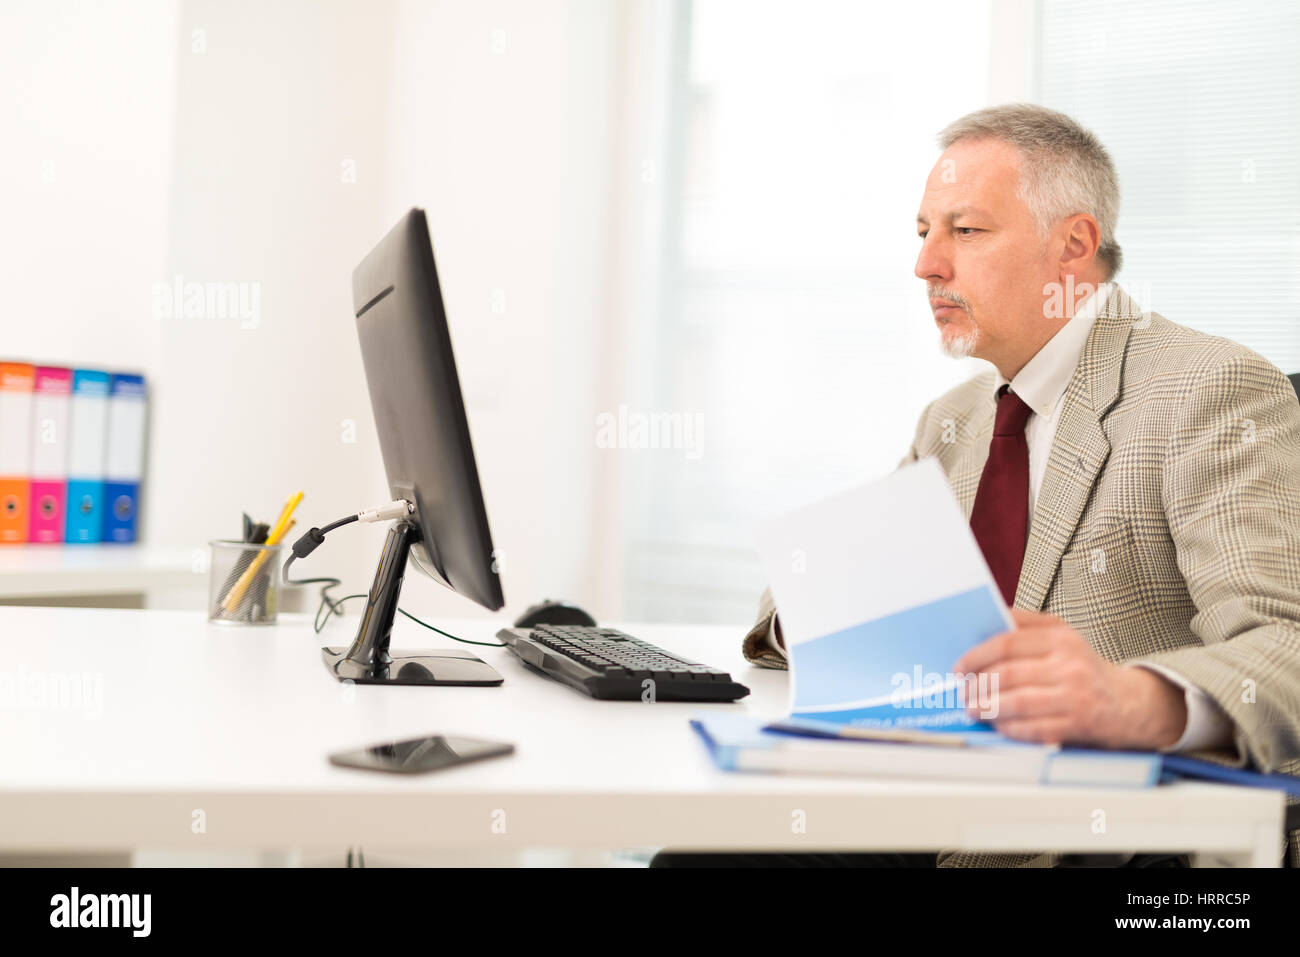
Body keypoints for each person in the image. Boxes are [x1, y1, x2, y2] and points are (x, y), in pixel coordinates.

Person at [654, 103, 1300, 868]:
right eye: (923, 232)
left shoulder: (1210, 388)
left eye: (964, 230)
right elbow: (797, 604)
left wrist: (1130, 699)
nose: (927, 264)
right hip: (934, 809)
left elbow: (1284, 645)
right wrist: (842, 617)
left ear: (1074, 244)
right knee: (701, 859)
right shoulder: (954, 420)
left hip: (1092, 843)